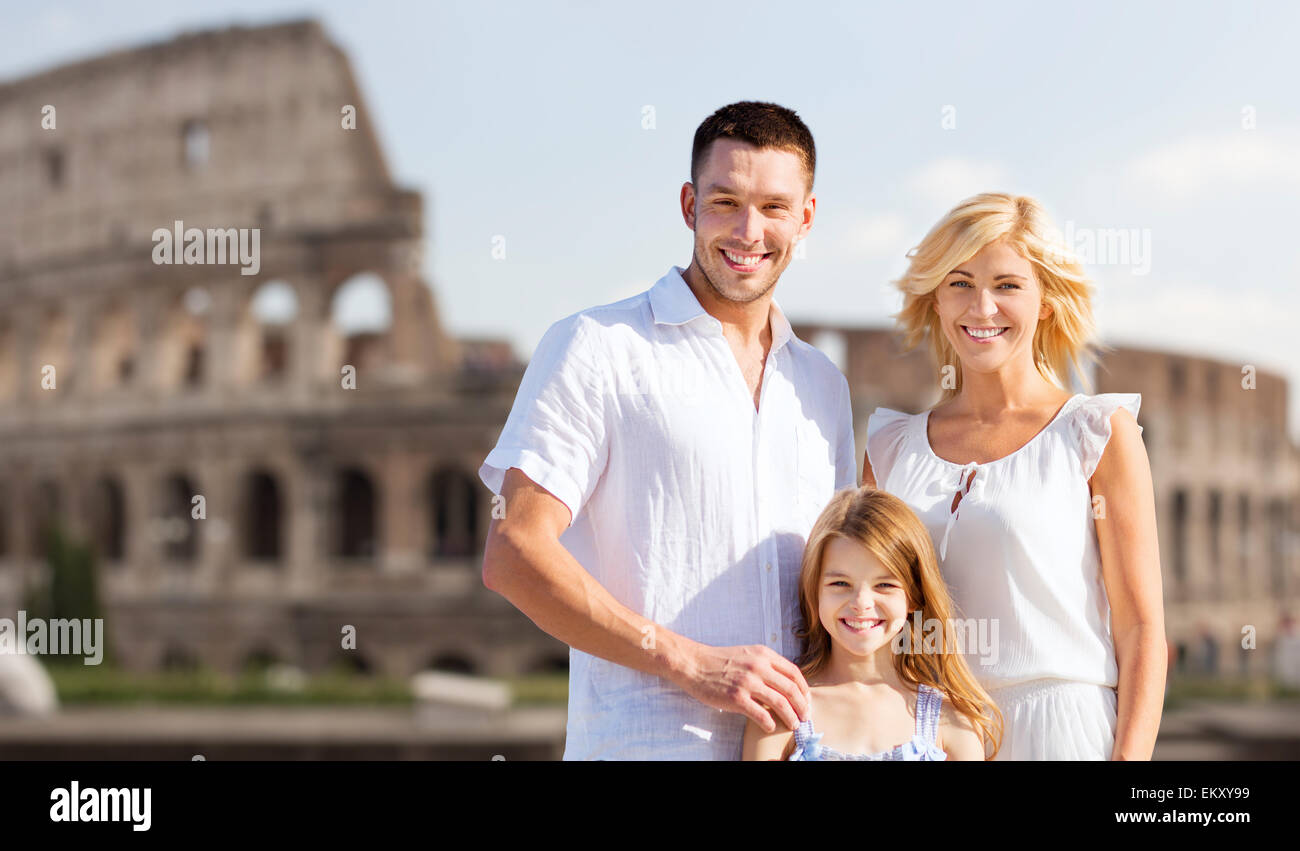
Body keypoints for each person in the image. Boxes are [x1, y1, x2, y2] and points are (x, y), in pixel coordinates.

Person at [478, 102, 857, 759]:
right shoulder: (597, 346)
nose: (748, 230)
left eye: (773, 207)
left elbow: (841, 585)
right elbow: (513, 550)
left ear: (807, 218)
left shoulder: (823, 385)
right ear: (688, 205)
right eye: (725, 201)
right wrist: (691, 661)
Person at [862, 193, 1166, 759]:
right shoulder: (888, 448)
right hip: (928, 733)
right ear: (933, 298)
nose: (981, 307)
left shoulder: (1097, 434)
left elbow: (1141, 630)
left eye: (1007, 285)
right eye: (959, 283)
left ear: (1045, 300)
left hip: (1061, 731)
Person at [743, 487, 1001, 760]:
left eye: (884, 585)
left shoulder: (952, 720)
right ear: (815, 589)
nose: (861, 602)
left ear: (913, 596)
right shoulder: (781, 712)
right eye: (840, 583)